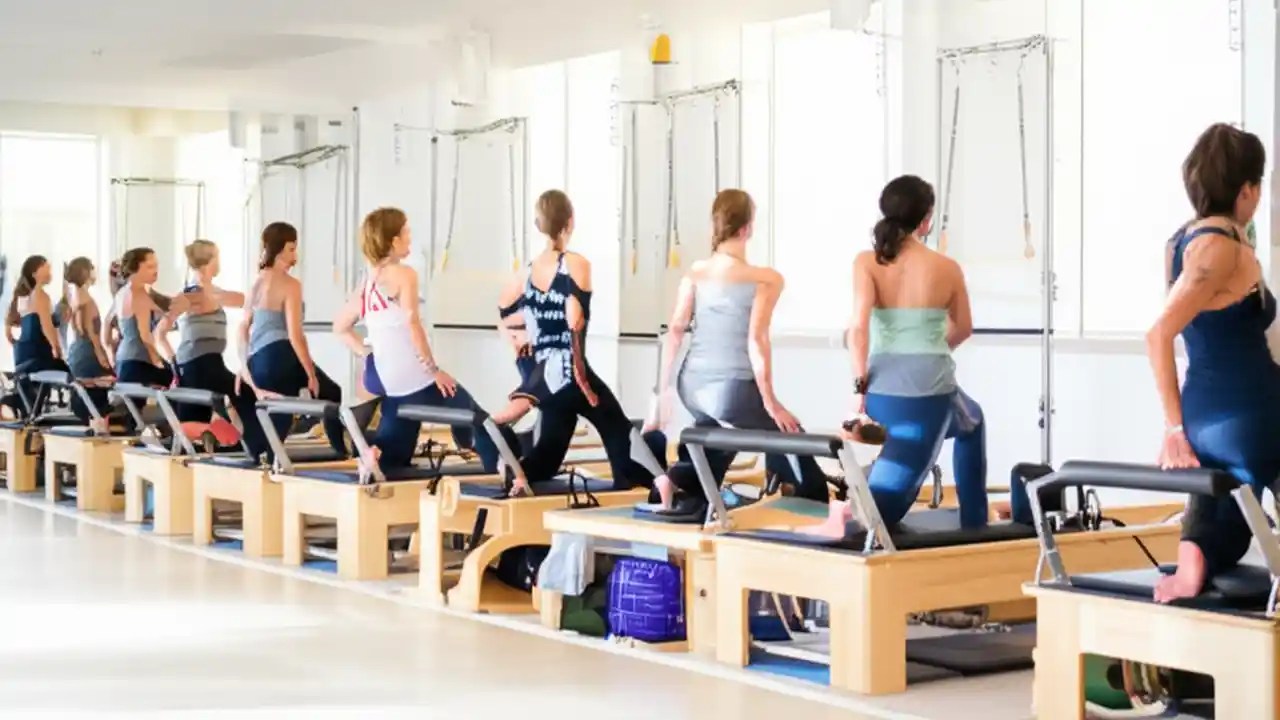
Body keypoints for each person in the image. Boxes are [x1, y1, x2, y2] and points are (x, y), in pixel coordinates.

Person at [807, 175, 989, 538]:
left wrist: (859, 392)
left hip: (881, 384)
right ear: (926, 220)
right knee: (881, 517)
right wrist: (931, 352)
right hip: (926, 391)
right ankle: (846, 512)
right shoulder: (947, 268)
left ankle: (976, 525)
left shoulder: (867, 262)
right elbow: (964, 328)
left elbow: (858, 330)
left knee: (972, 420)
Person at [1146, 123, 1279, 604]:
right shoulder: (1221, 250)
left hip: (1204, 410)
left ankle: (1190, 569)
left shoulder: (1180, 242)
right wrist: (1172, 429)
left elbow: (1190, 330)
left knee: (1223, 507)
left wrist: (1179, 426)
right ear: (1247, 190)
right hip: (1252, 407)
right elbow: (1159, 333)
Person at [650, 189, 829, 511]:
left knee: (715, 434)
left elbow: (675, 331)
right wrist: (771, 403)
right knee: (788, 434)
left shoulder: (696, 272)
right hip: (730, 387)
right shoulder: (765, 279)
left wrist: (661, 394)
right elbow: (756, 340)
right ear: (747, 229)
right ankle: (816, 508)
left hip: (691, 386)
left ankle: (676, 480)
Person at [333, 207, 520, 477]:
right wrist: (434, 371)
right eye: (406, 232)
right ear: (393, 240)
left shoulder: (368, 282)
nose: (410, 237)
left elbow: (340, 327)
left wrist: (367, 354)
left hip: (384, 377)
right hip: (412, 374)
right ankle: (502, 469)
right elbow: (413, 324)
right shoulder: (404, 274)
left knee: (399, 433)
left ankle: (377, 457)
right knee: (472, 411)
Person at [506, 190, 664, 496]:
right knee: (618, 432)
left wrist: (519, 343)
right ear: (570, 222)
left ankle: (516, 476)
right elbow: (575, 321)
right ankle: (649, 489)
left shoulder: (525, 271)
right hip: (574, 372)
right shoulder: (576, 263)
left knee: (549, 452)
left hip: (546, 376)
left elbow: (508, 313)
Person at [239, 222, 345, 458]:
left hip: (257, 358)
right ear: (277, 249)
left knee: (277, 415)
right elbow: (295, 335)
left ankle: (258, 458)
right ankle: (342, 451)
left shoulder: (257, 282)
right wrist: (310, 373)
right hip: (281, 353)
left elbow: (244, 329)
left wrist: (243, 367)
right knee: (332, 393)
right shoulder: (291, 285)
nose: (294, 255)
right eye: (290, 249)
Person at [155, 240, 267, 453]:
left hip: (201, 364)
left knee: (197, 419)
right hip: (202, 365)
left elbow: (243, 299)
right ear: (208, 261)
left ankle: (231, 443)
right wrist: (174, 365)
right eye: (217, 256)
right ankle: (254, 449)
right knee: (247, 397)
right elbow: (160, 332)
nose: (219, 261)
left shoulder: (209, 291)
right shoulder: (194, 292)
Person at [4, 255, 70, 417]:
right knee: (70, 373)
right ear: (34, 273)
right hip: (37, 352)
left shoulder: (24, 298)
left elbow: (10, 333)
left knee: (34, 391)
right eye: (46, 268)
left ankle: (15, 404)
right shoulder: (40, 295)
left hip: (23, 354)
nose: (50, 272)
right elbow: (46, 325)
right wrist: (56, 347)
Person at [62, 257, 115, 429]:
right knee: (99, 396)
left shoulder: (72, 297)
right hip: (88, 352)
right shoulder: (86, 299)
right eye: (92, 268)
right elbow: (91, 332)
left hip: (76, 352)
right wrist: (101, 355)